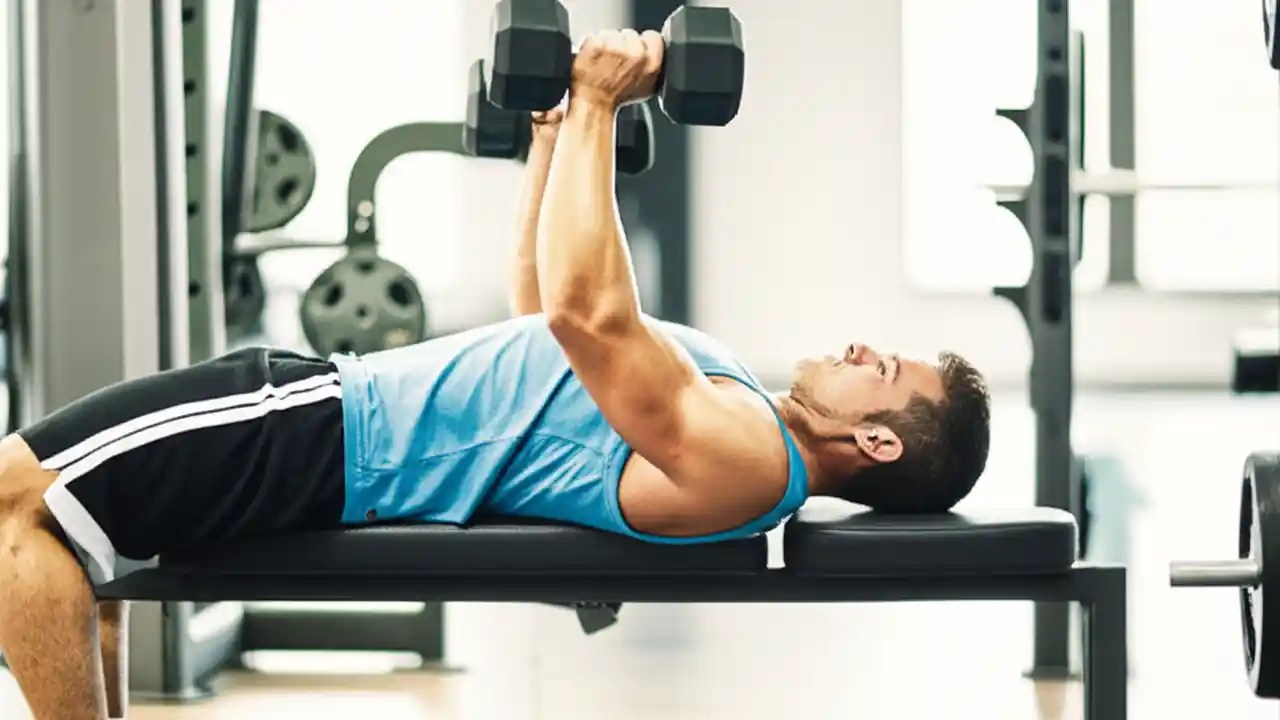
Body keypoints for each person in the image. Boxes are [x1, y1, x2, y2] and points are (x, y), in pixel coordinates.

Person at [0, 29, 991, 720]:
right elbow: (543, 321)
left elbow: (583, 310)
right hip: (324, 415)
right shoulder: (735, 397)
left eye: (886, 368)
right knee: (88, 533)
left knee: (16, 504)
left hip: (327, 434)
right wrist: (556, 143)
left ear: (877, 440)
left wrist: (602, 101)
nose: (864, 346)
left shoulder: (746, 459)